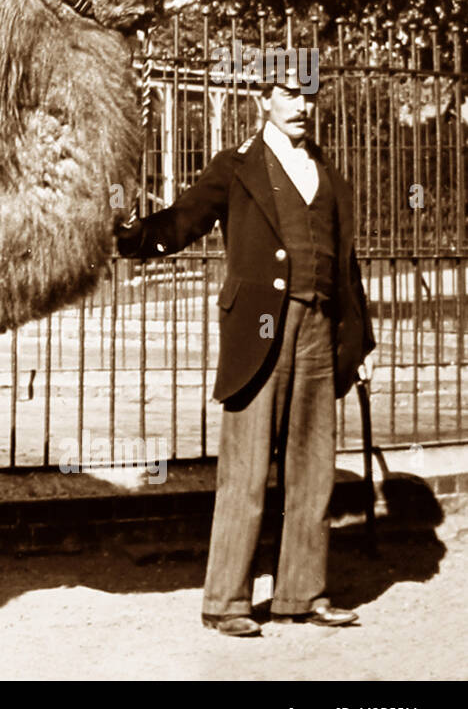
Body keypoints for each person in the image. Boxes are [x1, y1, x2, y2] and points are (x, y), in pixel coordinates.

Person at [114, 65, 375, 636]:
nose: (301, 105)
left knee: (313, 470)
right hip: (258, 329)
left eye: (309, 95)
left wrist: (361, 342)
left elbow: (346, 261)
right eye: (288, 94)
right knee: (247, 469)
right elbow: (181, 224)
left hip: (319, 330)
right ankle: (226, 603)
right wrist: (129, 227)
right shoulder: (236, 165)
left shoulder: (328, 171)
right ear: (264, 100)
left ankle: (303, 594)